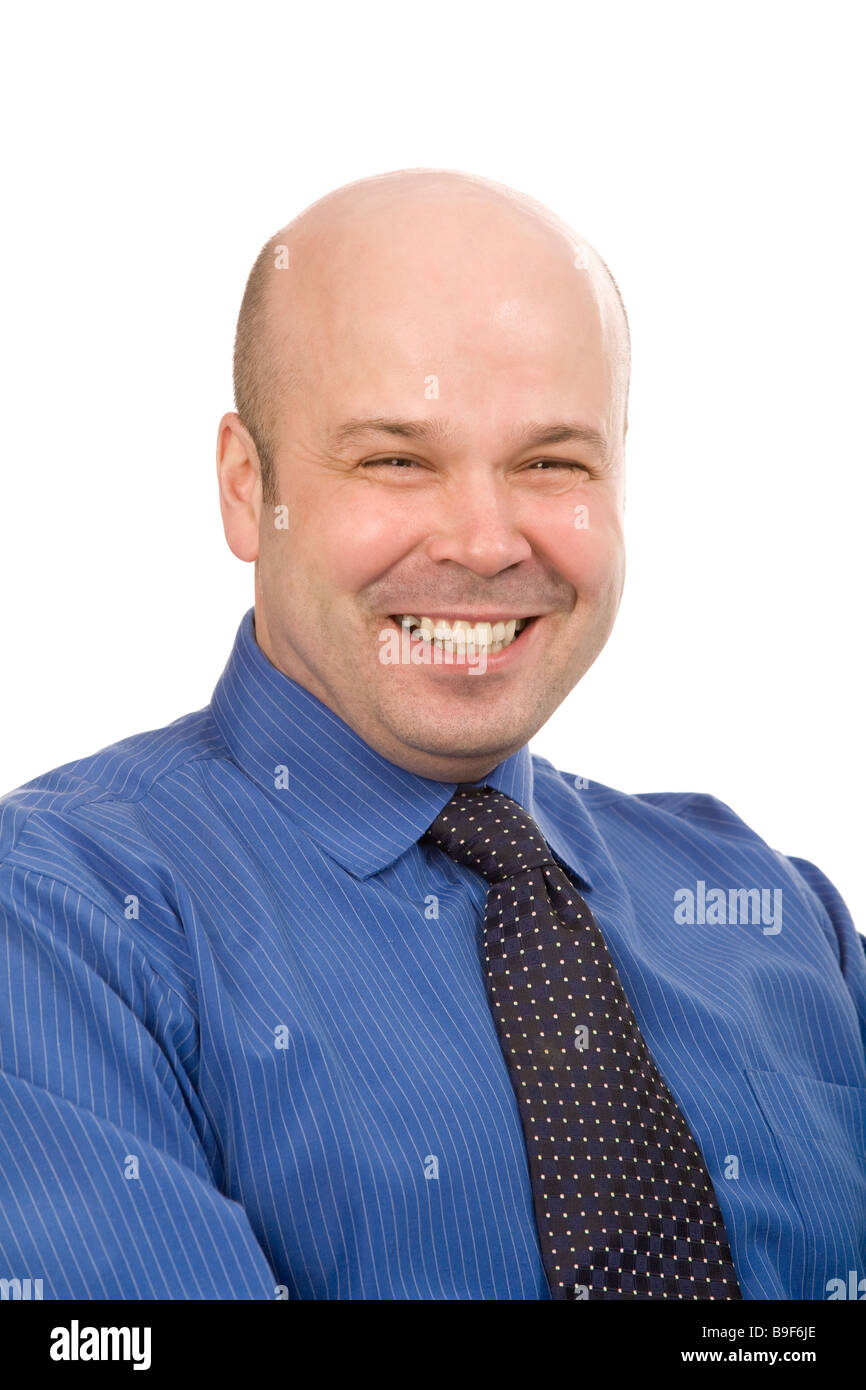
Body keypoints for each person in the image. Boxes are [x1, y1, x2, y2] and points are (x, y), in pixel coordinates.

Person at [0, 168, 863, 1301]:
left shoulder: (777, 911)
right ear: (244, 485)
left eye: (550, 461)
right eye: (396, 459)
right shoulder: (56, 922)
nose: (484, 539)